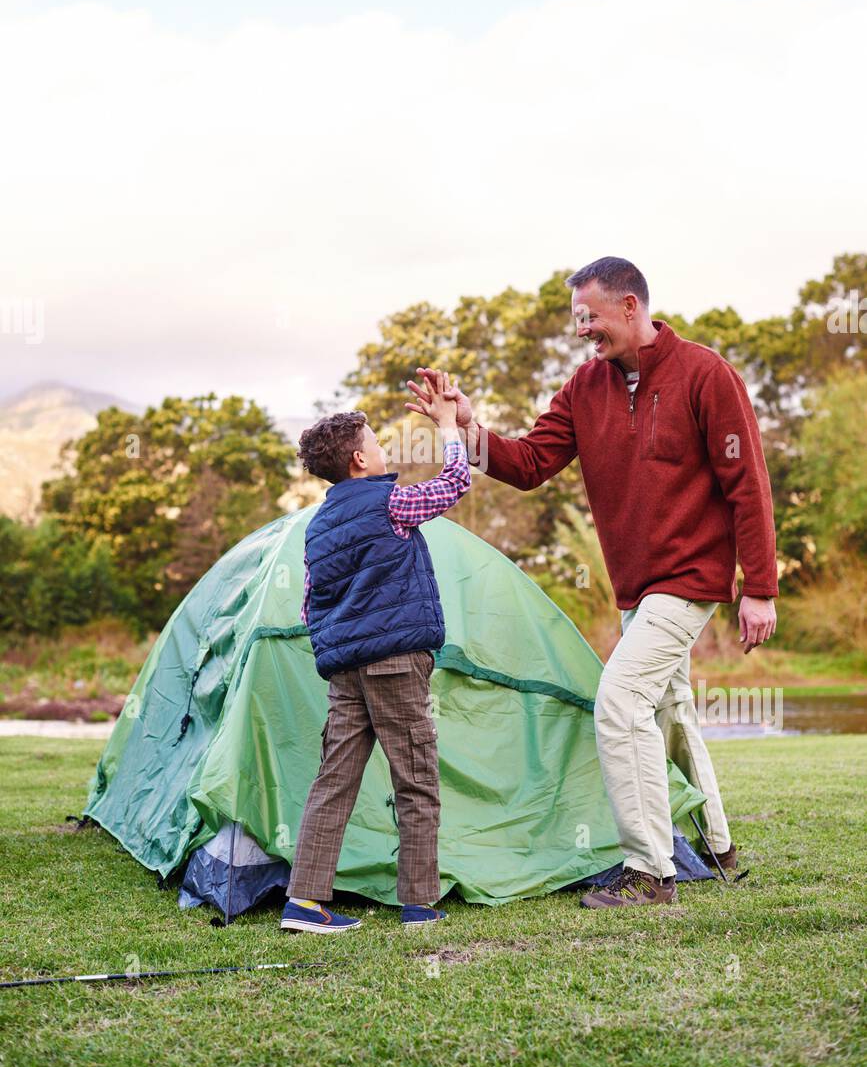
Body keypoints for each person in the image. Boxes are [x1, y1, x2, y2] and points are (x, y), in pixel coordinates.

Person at [409, 257, 778, 908]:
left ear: (629, 307)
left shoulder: (703, 374)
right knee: (668, 709)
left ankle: (648, 873)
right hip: (635, 588)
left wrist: (760, 588)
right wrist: (466, 427)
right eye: (577, 320)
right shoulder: (584, 389)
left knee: (618, 701)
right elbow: (527, 463)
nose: (582, 331)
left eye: (591, 318)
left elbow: (745, 481)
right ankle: (716, 845)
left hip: (689, 579)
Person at [281, 376, 470, 933]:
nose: (386, 448)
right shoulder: (390, 503)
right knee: (416, 778)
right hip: (395, 662)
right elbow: (454, 482)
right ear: (361, 459)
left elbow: (309, 609)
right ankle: (418, 904)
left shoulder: (317, 527)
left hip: (345, 671)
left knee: (333, 779)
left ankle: (305, 902)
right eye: (378, 441)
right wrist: (448, 427)